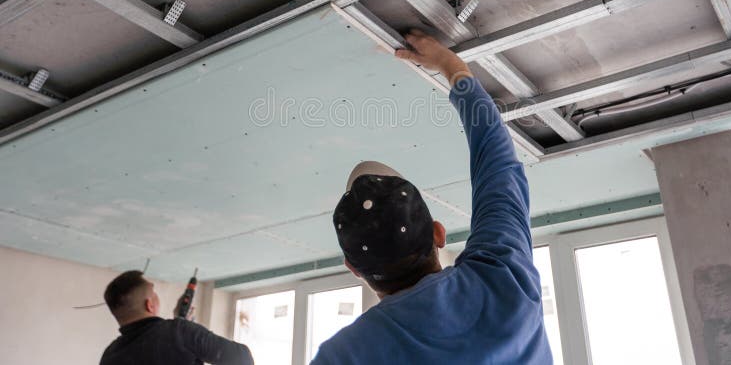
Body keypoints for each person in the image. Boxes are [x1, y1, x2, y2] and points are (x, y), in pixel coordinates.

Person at [312, 30, 552, 364]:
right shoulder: (502, 277)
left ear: (354, 268)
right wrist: (449, 65)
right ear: (437, 233)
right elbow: (496, 163)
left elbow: (499, 168)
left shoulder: (346, 355)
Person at [99, 270, 253, 365]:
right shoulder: (179, 331)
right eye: (154, 294)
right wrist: (182, 328)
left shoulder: (110, 355)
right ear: (149, 305)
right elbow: (241, 358)